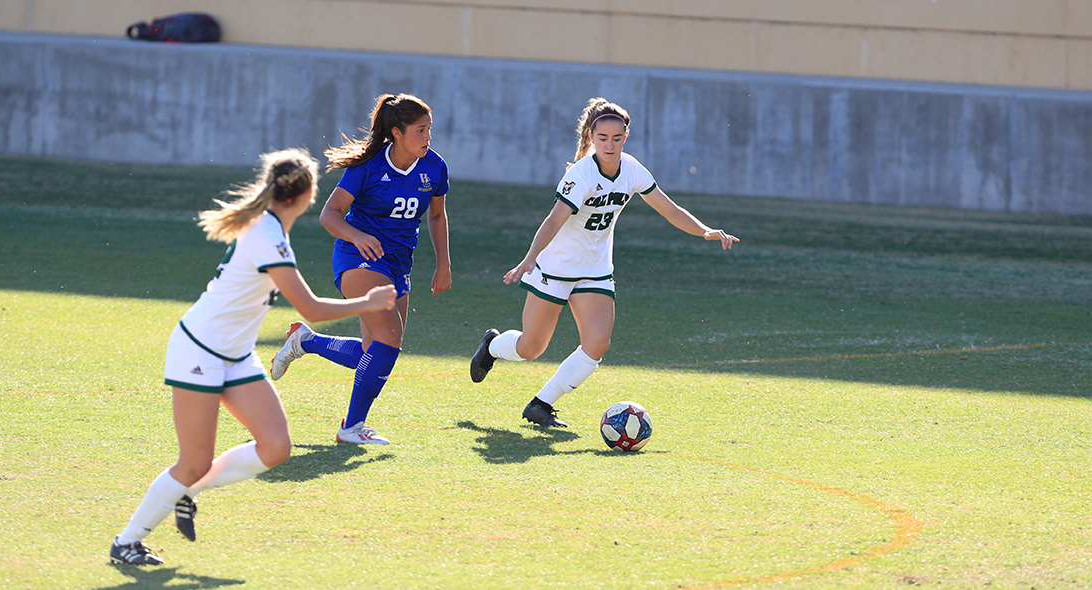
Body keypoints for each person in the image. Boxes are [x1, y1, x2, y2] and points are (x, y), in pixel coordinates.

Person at [109, 148, 397, 566]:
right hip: (200, 351)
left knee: (276, 446)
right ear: (307, 194)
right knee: (193, 461)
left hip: (235, 354)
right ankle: (128, 540)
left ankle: (186, 491)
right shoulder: (267, 235)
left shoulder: (269, 228)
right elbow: (311, 310)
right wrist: (367, 303)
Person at [468, 97, 738, 427]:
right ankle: (492, 346)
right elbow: (553, 221)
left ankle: (541, 404)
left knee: (597, 344)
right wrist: (529, 260)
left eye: (617, 138)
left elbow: (669, 210)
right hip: (556, 268)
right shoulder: (580, 175)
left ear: (626, 136)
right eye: (603, 138)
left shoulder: (633, 170)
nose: (610, 145)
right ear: (591, 137)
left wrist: (706, 231)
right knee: (531, 347)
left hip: (595, 270)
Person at [269, 93, 451, 445]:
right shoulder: (368, 167)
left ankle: (307, 341)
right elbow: (329, 214)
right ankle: (351, 427)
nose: (428, 137)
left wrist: (443, 263)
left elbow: (436, 215)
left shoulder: (435, 167)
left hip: (399, 262)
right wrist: (358, 235)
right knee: (389, 338)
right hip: (358, 258)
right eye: (420, 130)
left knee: (379, 351)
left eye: (429, 129)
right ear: (397, 133)